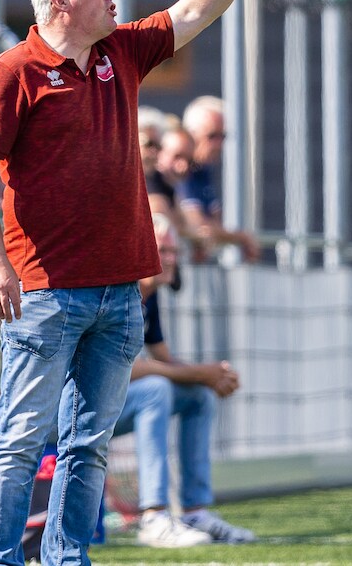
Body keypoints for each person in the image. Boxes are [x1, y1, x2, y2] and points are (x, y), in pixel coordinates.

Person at [0, 0, 299, 564]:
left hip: (120, 294)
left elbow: (194, 10)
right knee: (21, 440)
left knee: (89, 445)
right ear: (62, 2)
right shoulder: (9, 73)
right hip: (45, 291)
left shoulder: (120, 52)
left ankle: (67, 558)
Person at [113, 214, 253, 547]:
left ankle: (195, 512)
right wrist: (198, 372)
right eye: (164, 250)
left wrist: (209, 376)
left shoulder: (151, 295)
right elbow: (125, 369)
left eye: (175, 251)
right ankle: (154, 516)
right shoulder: (121, 291)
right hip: (74, 411)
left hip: (114, 403)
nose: (173, 259)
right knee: (155, 390)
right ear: (140, 250)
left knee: (197, 396)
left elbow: (162, 359)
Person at [178, 95, 260, 262]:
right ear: (190, 134)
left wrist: (220, 234)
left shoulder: (203, 171)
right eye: (212, 136)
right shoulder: (179, 170)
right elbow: (201, 227)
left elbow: (214, 224)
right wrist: (241, 238)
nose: (218, 144)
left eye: (222, 136)